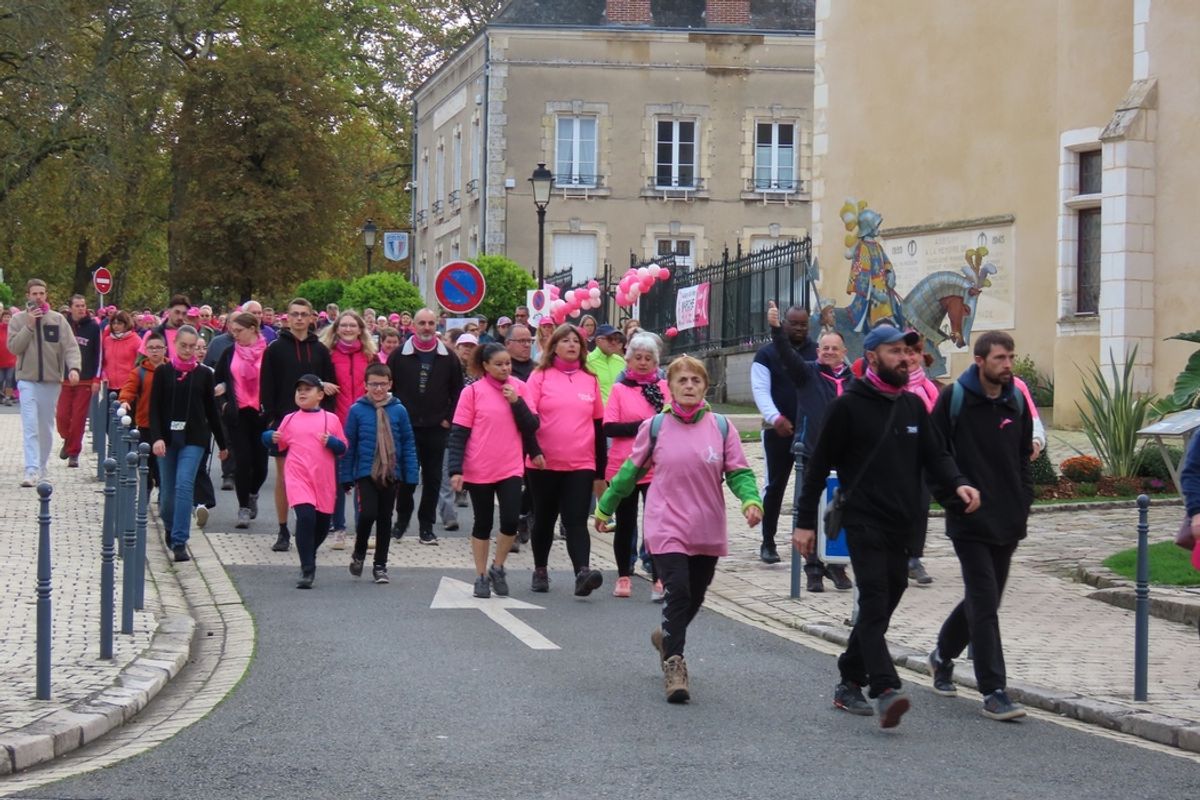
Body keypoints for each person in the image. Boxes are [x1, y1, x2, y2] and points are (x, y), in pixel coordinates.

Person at [793, 324, 980, 729]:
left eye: (908, 351)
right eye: (896, 351)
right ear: (873, 356)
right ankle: (885, 688)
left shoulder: (912, 406)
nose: (905, 358)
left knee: (888, 599)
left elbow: (936, 456)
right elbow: (817, 467)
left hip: (903, 524)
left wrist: (959, 483)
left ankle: (848, 676)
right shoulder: (848, 406)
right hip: (862, 520)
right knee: (875, 600)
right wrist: (804, 524)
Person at [595, 356, 763, 702]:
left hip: (706, 524)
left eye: (695, 381)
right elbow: (630, 471)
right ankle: (675, 665)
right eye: (682, 380)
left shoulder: (721, 427)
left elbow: (739, 472)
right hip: (665, 521)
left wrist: (751, 501)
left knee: (696, 595)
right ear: (669, 387)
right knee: (679, 592)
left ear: (705, 387)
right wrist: (606, 505)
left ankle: (666, 636)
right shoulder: (655, 427)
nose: (689, 386)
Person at [927, 331, 1033, 721]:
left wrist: (1024, 500)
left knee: (984, 600)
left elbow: (1023, 456)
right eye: (1001, 358)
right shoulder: (953, 399)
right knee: (985, 600)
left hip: (1008, 519)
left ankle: (942, 654)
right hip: (968, 519)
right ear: (980, 360)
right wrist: (955, 493)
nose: (1008, 365)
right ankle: (994, 690)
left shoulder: (1015, 399)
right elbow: (934, 454)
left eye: (1011, 357)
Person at [764, 303, 853, 591]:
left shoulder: (853, 382)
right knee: (812, 512)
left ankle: (837, 566)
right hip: (813, 453)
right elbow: (786, 355)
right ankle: (813, 568)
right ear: (818, 352)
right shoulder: (807, 374)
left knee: (840, 509)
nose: (828, 352)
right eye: (824, 348)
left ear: (844, 353)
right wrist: (777, 330)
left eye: (834, 349)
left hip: (846, 457)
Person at [448, 343, 542, 597]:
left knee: (511, 520)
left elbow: (531, 425)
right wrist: (455, 469)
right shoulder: (472, 392)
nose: (504, 368)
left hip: (510, 466)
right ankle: (480, 575)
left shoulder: (520, 388)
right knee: (483, 522)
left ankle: (498, 567)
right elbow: (459, 434)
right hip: (479, 467)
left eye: (507, 363)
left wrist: (516, 402)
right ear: (485, 366)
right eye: (499, 364)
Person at [524, 324, 606, 595]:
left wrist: (600, 470)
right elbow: (527, 419)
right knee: (545, 518)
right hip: (543, 463)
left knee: (576, 520)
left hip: (581, 463)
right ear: (554, 346)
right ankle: (540, 569)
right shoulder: (539, 377)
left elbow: (597, 425)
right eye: (565, 341)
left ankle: (582, 572)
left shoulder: (590, 379)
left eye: (577, 342)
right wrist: (534, 451)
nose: (572, 345)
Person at [261, 298, 337, 552]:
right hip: (285, 422)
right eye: (295, 314)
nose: (300, 319)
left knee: (315, 475)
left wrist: (328, 419)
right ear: (287, 318)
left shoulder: (320, 350)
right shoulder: (275, 349)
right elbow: (267, 387)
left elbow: (330, 386)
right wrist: (272, 420)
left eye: (304, 314)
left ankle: (309, 523)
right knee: (284, 478)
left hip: (316, 425)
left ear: (312, 318)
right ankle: (283, 529)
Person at [601, 333, 671, 599]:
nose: (643, 363)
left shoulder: (664, 388)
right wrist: (645, 426)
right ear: (628, 361)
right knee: (626, 523)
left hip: (657, 465)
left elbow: (673, 422)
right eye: (638, 358)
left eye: (648, 359)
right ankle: (623, 576)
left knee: (656, 524)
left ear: (656, 362)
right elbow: (609, 426)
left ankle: (659, 578)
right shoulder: (620, 389)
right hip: (625, 465)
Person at [149, 326, 227, 562]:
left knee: (184, 486)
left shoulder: (204, 374)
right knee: (167, 495)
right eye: (183, 345)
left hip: (194, 438)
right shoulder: (163, 372)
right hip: (167, 440)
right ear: (175, 344)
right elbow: (154, 409)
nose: (187, 350)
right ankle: (171, 527)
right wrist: (157, 438)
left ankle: (180, 541)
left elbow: (212, 412)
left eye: (192, 347)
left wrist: (223, 444)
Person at [387, 308, 463, 544]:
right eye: (422, 323)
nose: (427, 327)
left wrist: (447, 419)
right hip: (406, 428)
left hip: (436, 428)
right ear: (414, 326)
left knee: (432, 480)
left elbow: (458, 392)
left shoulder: (448, 357)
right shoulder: (399, 355)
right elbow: (390, 390)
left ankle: (426, 527)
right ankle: (401, 521)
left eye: (431, 323)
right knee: (406, 480)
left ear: (436, 326)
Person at [264, 375, 347, 588]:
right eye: (299, 389)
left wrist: (334, 442)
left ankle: (309, 553)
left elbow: (343, 448)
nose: (302, 393)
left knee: (320, 527)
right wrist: (268, 437)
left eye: (308, 389)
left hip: (323, 480)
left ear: (320, 395)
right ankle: (307, 569)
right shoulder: (290, 419)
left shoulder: (331, 419)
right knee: (306, 518)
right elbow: (278, 444)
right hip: (297, 477)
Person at [339, 363, 419, 584]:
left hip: (391, 471)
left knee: (385, 519)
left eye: (383, 384)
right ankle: (359, 552)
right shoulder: (357, 410)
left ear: (390, 384)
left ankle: (380, 565)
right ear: (365, 385)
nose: (378, 389)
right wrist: (345, 476)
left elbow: (408, 443)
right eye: (373, 384)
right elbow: (350, 445)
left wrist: (411, 475)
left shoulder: (398, 410)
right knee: (367, 514)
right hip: (366, 470)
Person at [752, 305, 816, 564]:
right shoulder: (766, 354)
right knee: (775, 486)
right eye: (794, 323)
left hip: (809, 430)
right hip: (777, 430)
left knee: (812, 487)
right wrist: (774, 417)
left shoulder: (816, 351)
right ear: (784, 324)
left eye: (803, 324)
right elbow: (760, 389)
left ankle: (812, 544)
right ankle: (768, 541)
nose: (799, 328)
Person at [8, 279, 82, 486]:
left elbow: (70, 347)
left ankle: (42, 466)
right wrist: (29, 327)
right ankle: (30, 469)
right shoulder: (18, 320)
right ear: (28, 295)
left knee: (46, 427)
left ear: (46, 295)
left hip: (51, 381)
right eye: (34, 293)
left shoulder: (57, 320)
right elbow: (14, 347)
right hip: (26, 380)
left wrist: (74, 368)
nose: (38, 297)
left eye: (42, 293)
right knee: (30, 425)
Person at [321, 310, 377, 548]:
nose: (347, 329)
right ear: (336, 329)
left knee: (363, 478)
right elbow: (313, 380)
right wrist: (322, 384)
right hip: (336, 421)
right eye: (343, 325)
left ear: (360, 329)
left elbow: (382, 382)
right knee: (337, 479)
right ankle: (339, 529)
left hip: (364, 422)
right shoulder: (327, 355)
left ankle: (363, 528)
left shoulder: (371, 356)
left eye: (352, 325)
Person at [213, 312, 270, 529]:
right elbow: (217, 381)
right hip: (238, 414)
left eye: (239, 331)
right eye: (232, 331)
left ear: (254, 329)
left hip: (261, 414)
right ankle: (243, 506)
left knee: (261, 466)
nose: (235, 335)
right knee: (243, 462)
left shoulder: (268, 352)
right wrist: (224, 403)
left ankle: (253, 493)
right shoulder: (229, 353)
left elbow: (275, 380)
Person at [902, 332, 941, 586]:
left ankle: (914, 558)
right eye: (904, 352)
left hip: (922, 456)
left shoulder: (929, 387)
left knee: (920, 507)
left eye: (914, 352)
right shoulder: (894, 386)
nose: (910, 357)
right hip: (896, 457)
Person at [55, 294, 101, 468]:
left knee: (79, 418)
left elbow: (99, 353)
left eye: (83, 305)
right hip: (64, 379)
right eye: (78, 305)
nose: (81, 308)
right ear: (70, 308)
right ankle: (67, 439)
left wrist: (97, 378)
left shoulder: (93, 327)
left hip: (85, 379)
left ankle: (74, 452)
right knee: (62, 416)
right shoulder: (62, 325)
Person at [118, 331, 168, 490]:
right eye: (151, 348)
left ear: (165, 349)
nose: (155, 351)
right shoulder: (139, 371)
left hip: (166, 424)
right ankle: (144, 497)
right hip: (146, 424)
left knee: (163, 466)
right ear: (146, 350)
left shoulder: (172, 370)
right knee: (146, 464)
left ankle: (163, 497)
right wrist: (124, 401)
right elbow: (129, 389)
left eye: (158, 347)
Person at [101, 310, 141, 394]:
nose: (116, 326)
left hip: (128, 386)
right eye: (113, 323)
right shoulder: (107, 340)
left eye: (119, 323)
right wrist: (103, 375)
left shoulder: (136, 340)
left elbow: (141, 363)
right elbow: (103, 362)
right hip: (109, 386)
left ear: (126, 324)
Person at [586, 324, 626, 403]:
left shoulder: (621, 362)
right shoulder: (587, 362)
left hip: (620, 413)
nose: (614, 342)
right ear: (598, 340)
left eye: (616, 339)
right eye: (610, 339)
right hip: (598, 414)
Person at [0, 308, 15, 406]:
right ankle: (1, 396)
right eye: (5, 317)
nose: (7, 319)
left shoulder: (13, 328)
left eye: (8, 317)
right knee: (0, 379)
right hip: (0, 359)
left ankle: (8, 397)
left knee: (9, 379)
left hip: (11, 359)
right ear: (1, 318)